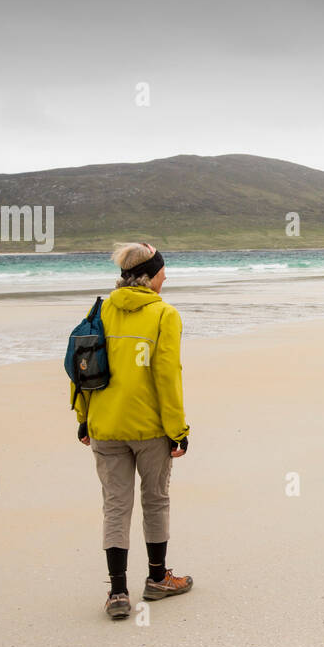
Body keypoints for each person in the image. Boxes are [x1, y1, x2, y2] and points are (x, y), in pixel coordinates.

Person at [71, 242, 193, 619]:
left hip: (105, 426)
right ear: (151, 276)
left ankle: (118, 593)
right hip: (149, 428)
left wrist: (83, 418)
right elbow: (167, 377)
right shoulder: (164, 314)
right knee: (155, 500)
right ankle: (157, 579)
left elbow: (85, 365)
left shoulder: (102, 308)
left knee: (115, 506)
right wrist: (178, 430)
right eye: (162, 271)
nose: (166, 277)